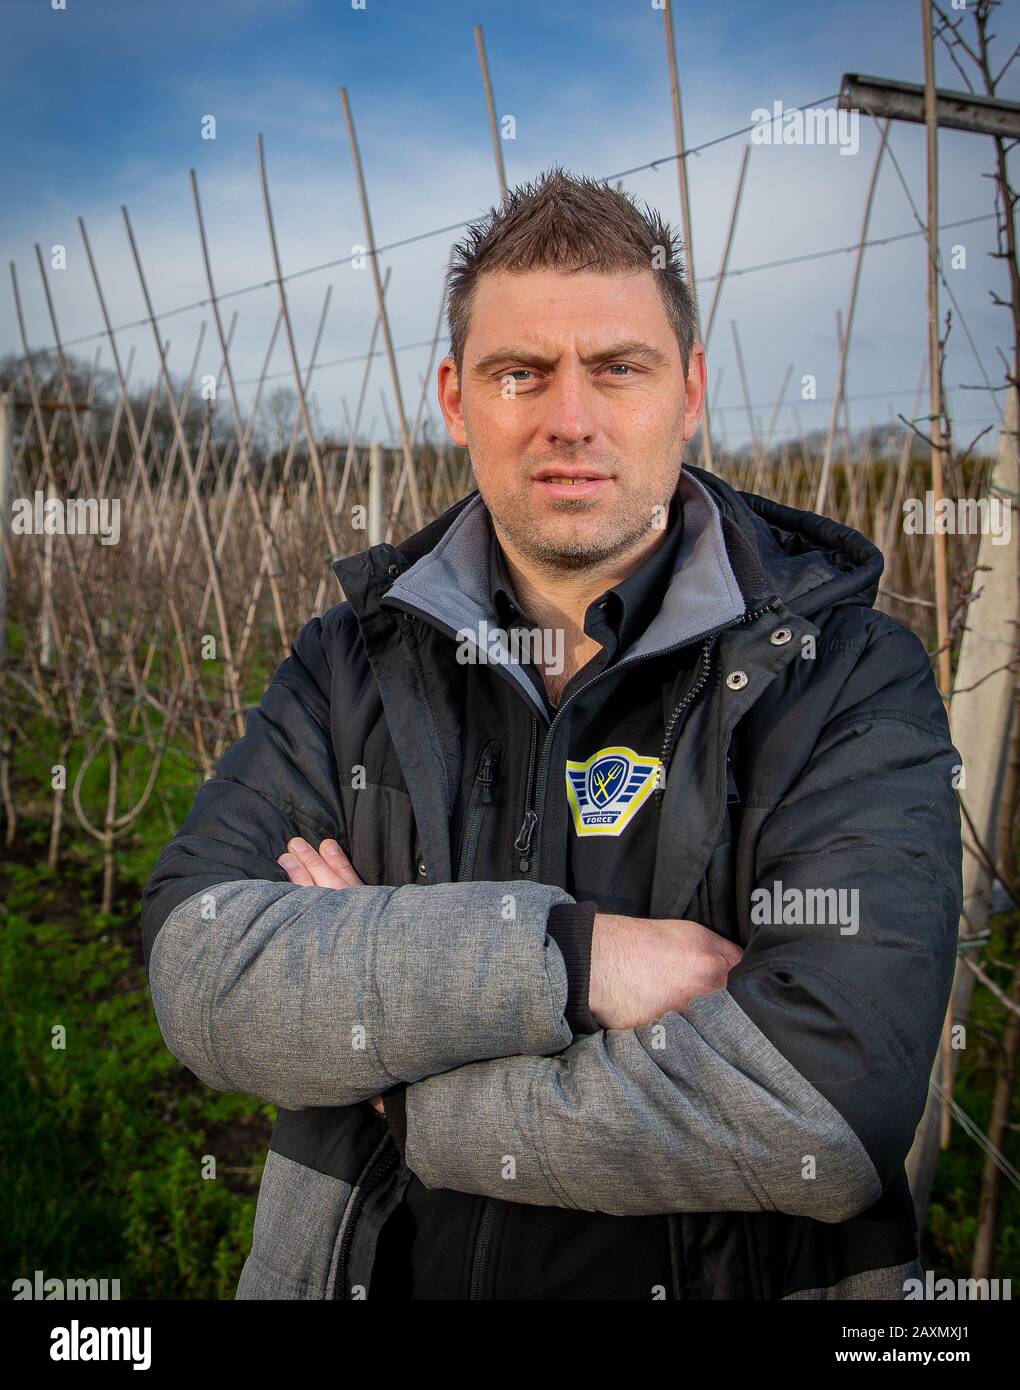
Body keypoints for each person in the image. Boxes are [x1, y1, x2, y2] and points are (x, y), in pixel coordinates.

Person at [141, 166, 962, 1301]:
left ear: (691, 390)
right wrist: (580, 961)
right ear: (454, 397)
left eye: (617, 367)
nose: (568, 418)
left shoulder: (847, 680)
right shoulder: (347, 667)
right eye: (518, 372)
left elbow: (822, 1104)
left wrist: (400, 1085)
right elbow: (204, 966)